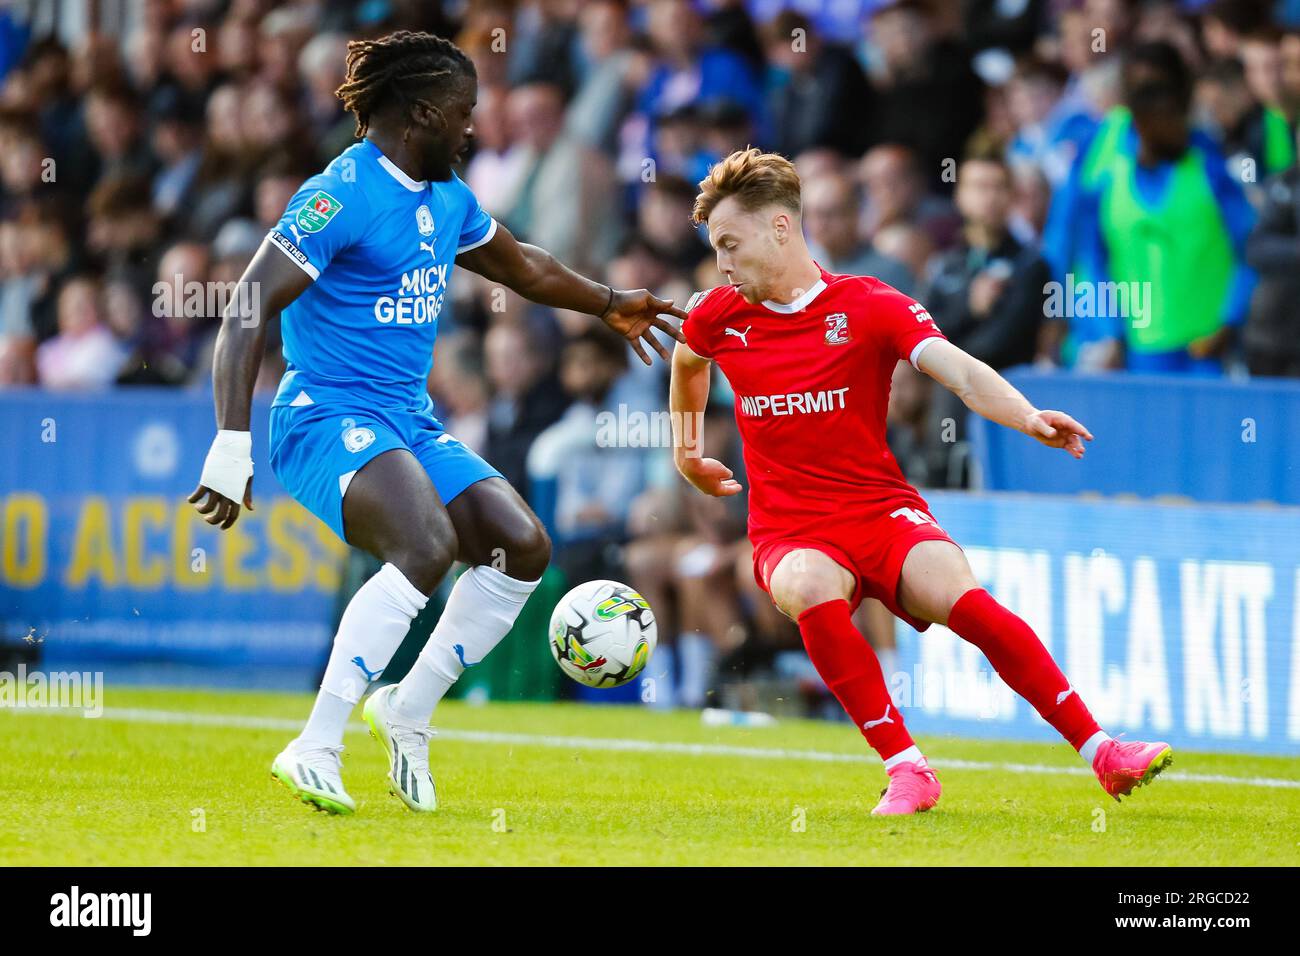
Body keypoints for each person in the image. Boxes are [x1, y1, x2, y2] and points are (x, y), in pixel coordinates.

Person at [187, 30, 685, 816]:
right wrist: (228, 439)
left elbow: (523, 267)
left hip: (406, 423)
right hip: (323, 419)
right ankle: (315, 742)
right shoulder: (340, 193)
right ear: (420, 113)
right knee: (425, 546)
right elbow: (246, 310)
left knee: (521, 546)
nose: (472, 129)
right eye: (462, 112)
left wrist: (608, 301)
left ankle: (407, 709)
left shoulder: (446, 198)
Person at [669, 148, 1173, 816]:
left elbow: (960, 372)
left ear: (781, 230)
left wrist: (1026, 416)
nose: (722, 264)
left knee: (970, 605)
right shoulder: (718, 315)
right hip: (790, 530)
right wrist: (687, 453)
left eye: (730, 244)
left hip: (879, 511)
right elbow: (687, 364)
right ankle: (907, 768)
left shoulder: (870, 305)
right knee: (810, 586)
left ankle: (1102, 752)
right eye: (715, 249)